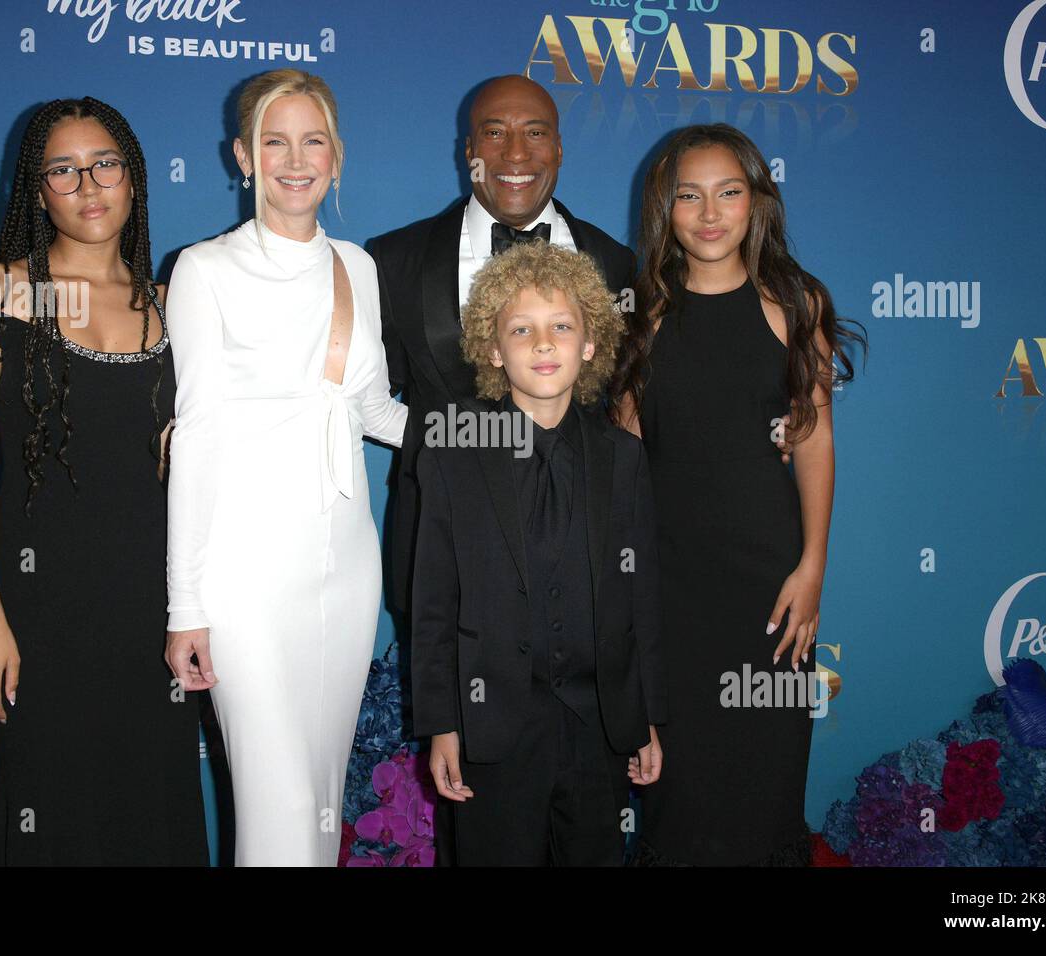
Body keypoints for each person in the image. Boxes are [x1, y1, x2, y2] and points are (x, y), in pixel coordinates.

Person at [0, 97, 208, 865]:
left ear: (134, 178)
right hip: (38, 614)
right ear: (37, 188)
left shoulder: (177, 307)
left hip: (157, 612)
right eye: (64, 170)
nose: (88, 185)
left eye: (105, 164)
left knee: (154, 811)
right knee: (45, 814)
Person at [162, 69, 407, 866]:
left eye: (313, 141)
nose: (296, 160)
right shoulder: (204, 270)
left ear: (337, 155)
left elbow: (374, 412)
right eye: (275, 142)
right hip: (246, 575)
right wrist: (185, 605)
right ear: (243, 156)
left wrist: (489, 433)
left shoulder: (356, 267)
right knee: (282, 805)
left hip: (346, 566)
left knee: (323, 801)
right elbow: (196, 436)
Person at [611, 123, 867, 866]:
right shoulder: (642, 314)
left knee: (767, 780)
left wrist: (812, 568)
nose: (709, 213)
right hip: (670, 585)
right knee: (679, 795)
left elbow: (813, 439)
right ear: (664, 209)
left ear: (757, 201)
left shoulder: (795, 303)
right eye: (689, 195)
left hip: (769, 581)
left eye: (728, 192)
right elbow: (626, 457)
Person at [412, 240, 666, 865]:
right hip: (491, 726)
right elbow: (433, 603)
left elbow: (643, 600)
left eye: (562, 327)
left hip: (599, 726)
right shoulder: (452, 455)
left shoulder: (624, 458)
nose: (544, 344)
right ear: (493, 349)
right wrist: (441, 724)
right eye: (521, 329)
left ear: (591, 343)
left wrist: (646, 716)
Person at [367, 74, 636, 621]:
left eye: (535, 132)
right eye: (494, 133)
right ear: (468, 150)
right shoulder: (394, 261)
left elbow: (628, 401)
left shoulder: (617, 264)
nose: (516, 152)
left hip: (582, 553)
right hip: (444, 555)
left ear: (559, 148)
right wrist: (447, 443)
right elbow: (365, 401)